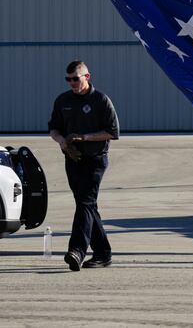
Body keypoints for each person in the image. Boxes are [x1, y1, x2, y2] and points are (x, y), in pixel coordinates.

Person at [47, 60, 120, 271]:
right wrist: (62, 142)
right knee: (86, 205)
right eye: (68, 79)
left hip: (95, 160)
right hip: (73, 160)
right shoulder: (63, 101)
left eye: (75, 79)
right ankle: (103, 254)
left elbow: (113, 132)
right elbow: (54, 128)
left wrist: (84, 138)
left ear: (87, 77)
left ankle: (77, 251)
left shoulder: (100, 100)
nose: (72, 83)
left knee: (85, 202)